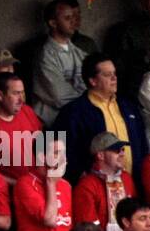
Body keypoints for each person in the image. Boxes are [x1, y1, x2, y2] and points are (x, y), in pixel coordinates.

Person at [54, 53, 148, 183]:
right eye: (107, 75)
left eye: (114, 73)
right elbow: (61, 152)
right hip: (97, 190)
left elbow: (143, 145)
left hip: (133, 187)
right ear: (92, 80)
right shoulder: (73, 112)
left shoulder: (129, 107)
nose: (114, 78)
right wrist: (82, 176)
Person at [73, 133, 137, 231]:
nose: (122, 153)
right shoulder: (86, 185)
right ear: (101, 155)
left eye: (122, 150)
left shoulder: (126, 178)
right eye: (117, 150)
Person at [33, 0, 89, 125]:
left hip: (74, 120)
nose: (74, 21)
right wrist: (88, 102)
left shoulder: (80, 53)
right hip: (50, 124)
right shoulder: (45, 56)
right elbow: (59, 96)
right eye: (68, 18)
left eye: (75, 17)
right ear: (53, 23)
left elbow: (92, 85)